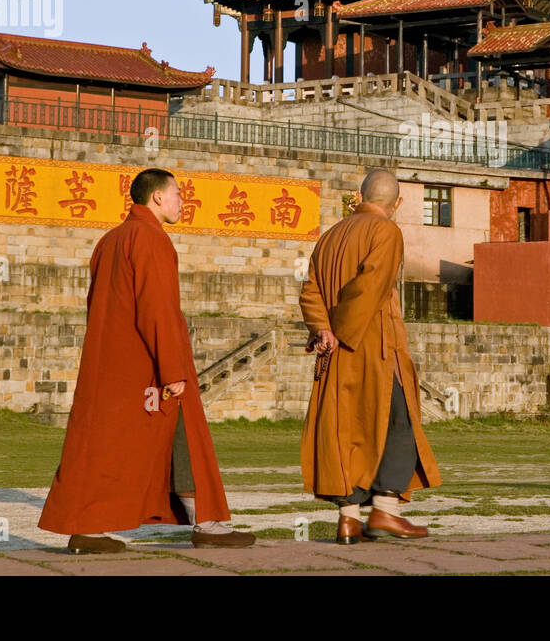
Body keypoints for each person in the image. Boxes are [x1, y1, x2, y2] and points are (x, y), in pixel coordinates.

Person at [38, 168, 254, 552]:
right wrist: (172, 369)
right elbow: (159, 310)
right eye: (177, 194)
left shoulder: (110, 240)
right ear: (157, 198)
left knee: (105, 445)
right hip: (146, 364)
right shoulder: (151, 239)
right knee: (184, 434)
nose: (181, 202)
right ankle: (206, 525)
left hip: (109, 362)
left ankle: (89, 530)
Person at [298, 168, 442, 544]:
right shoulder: (386, 231)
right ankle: (385, 511)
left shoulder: (330, 235)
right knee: (398, 424)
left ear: (360, 196)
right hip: (371, 347)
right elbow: (370, 288)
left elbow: (310, 290)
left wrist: (323, 330)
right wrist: (343, 334)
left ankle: (348, 519)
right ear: (396, 203)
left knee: (345, 431)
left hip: (334, 348)